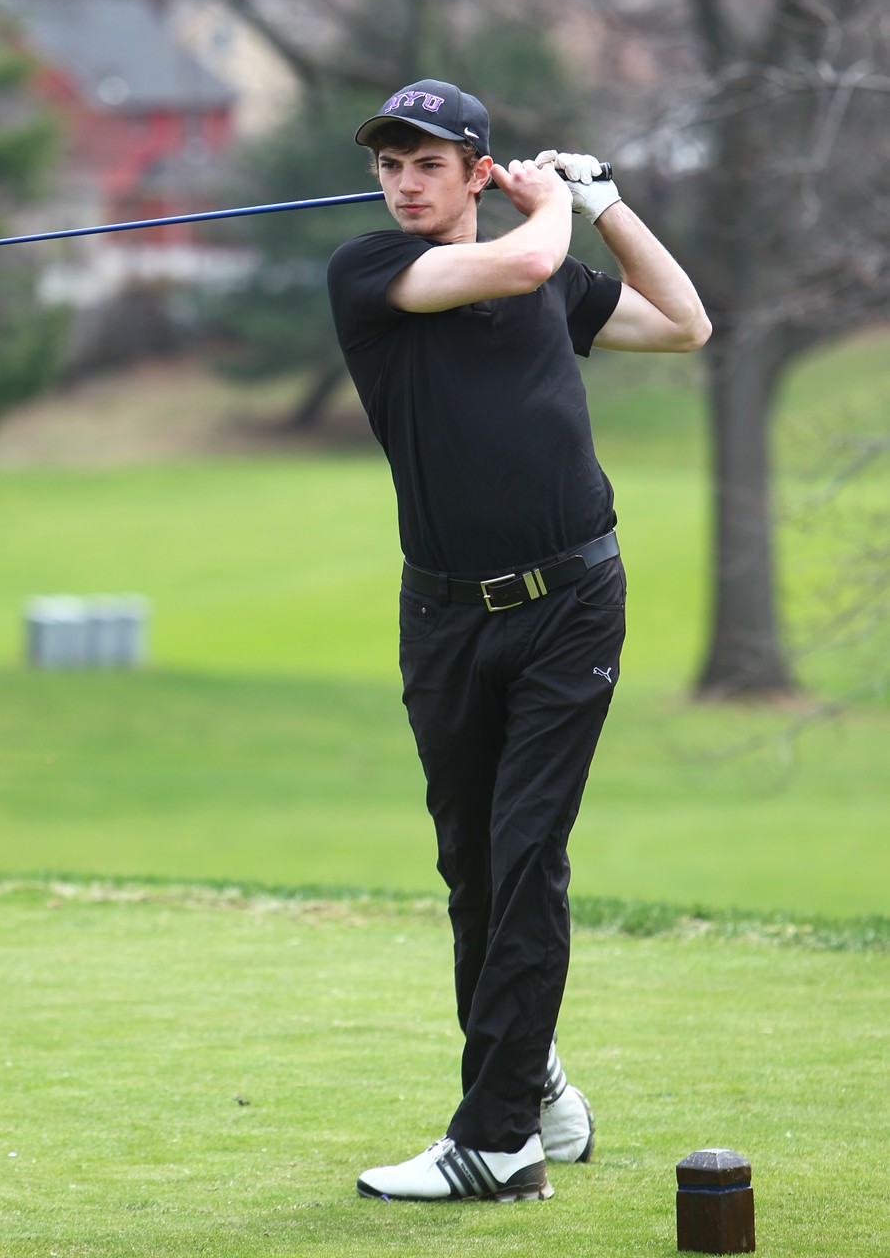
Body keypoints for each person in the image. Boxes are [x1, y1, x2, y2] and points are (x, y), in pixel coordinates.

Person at [326, 79, 711, 1204]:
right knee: (472, 867)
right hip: (443, 616)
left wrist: (604, 204)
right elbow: (513, 266)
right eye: (389, 163)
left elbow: (683, 324)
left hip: (569, 603)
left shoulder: (547, 268)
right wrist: (549, 209)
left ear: (475, 173)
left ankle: (497, 1140)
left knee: (526, 853)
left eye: (426, 162)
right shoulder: (370, 273)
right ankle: (531, 1078)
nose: (402, 182)